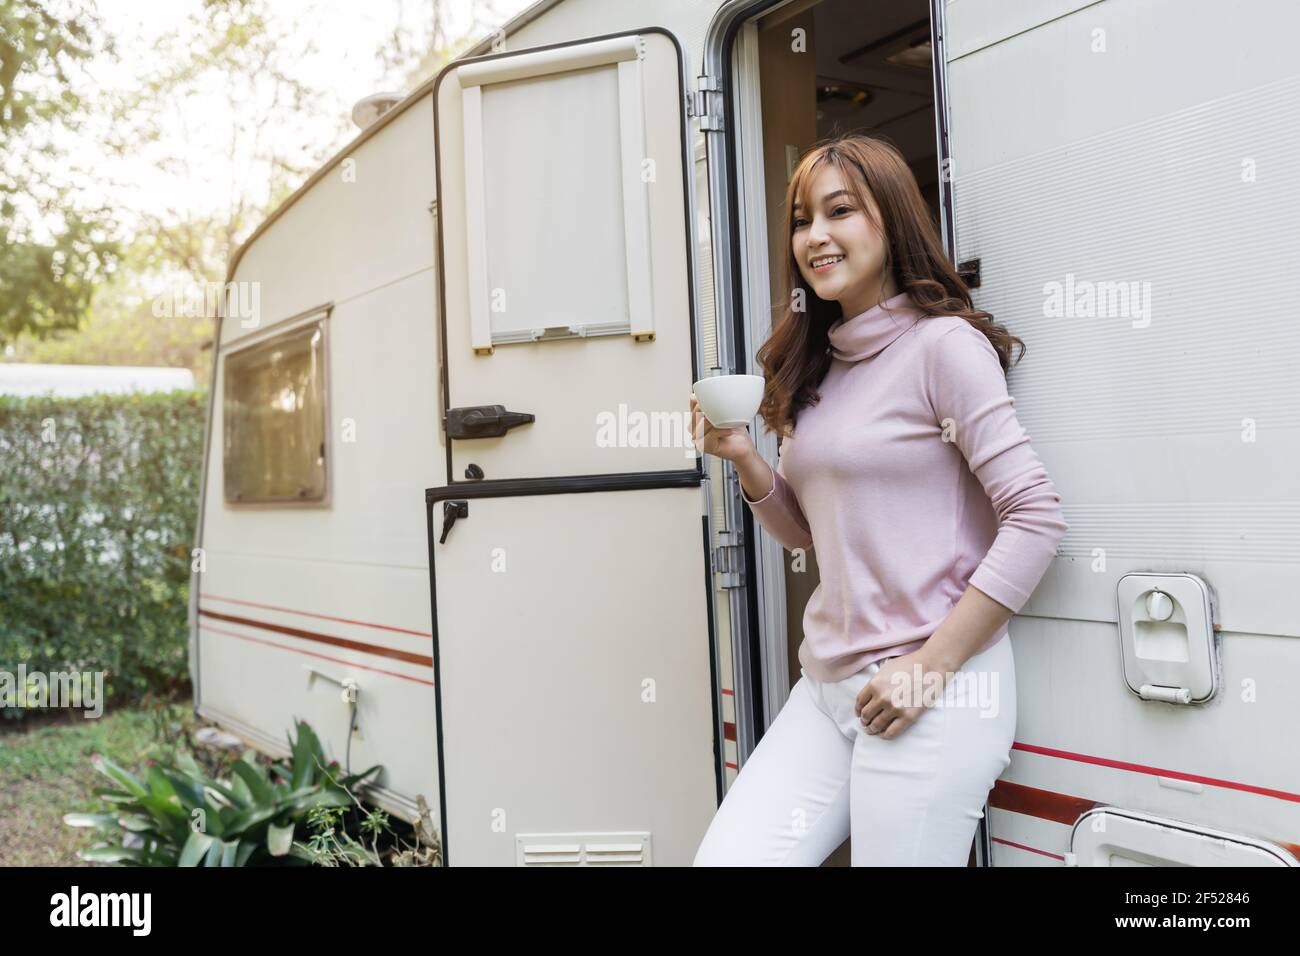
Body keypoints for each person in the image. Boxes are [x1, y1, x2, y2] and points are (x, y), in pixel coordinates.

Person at [690, 133, 1069, 866]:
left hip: (929, 688)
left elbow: (1035, 517)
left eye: (840, 211)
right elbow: (809, 535)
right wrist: (745, 461)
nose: (815, 236)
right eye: (802, 219)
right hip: (830, 686)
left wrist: (930, 666)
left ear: (891, 220)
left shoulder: (942, 347)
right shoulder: (818, 366)